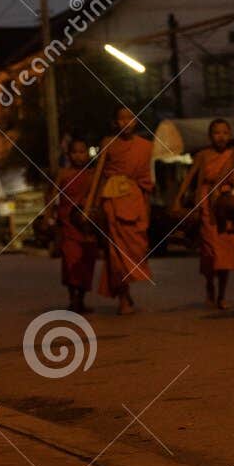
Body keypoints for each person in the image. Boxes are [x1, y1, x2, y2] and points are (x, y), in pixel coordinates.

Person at [88, 105, 154, 315]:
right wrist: (90, 204)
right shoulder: (108, 143)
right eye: (122, 119)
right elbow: (98, 175)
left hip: (135, 200)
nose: (126, 122)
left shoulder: (146, 146)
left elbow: (147, 181)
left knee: (136, 249)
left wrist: (148, 208)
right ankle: (123, 299)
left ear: (136, 121)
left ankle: (125, 295)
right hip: (112, 201)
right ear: (115, 123)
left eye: (131, 118)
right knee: (116, 254)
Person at [174, 118, 234, 309]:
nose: (221, 137)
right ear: (210, 136)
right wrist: (178, 198)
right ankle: (210, 286)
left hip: (227, 204)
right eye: (217, 133)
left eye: (225, 133)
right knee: (211, 249)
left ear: (230, 135)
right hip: (207, 203)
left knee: (226, 250)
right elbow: (190, 178)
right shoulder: (203, 155)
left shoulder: (233, 155)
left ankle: (222, 294)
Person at [50, 135, 99, 313]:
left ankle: (81, 298)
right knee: (70, 264)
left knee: (87, 263)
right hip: (68, 225)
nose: (79, 156)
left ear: (88, 153)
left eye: (82, 151)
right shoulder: (63, 174)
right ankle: (73, 299)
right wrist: (49, 217)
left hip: (87, 227)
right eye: (75, 152)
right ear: (69, 155)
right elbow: (52, 196)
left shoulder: (93, 175)